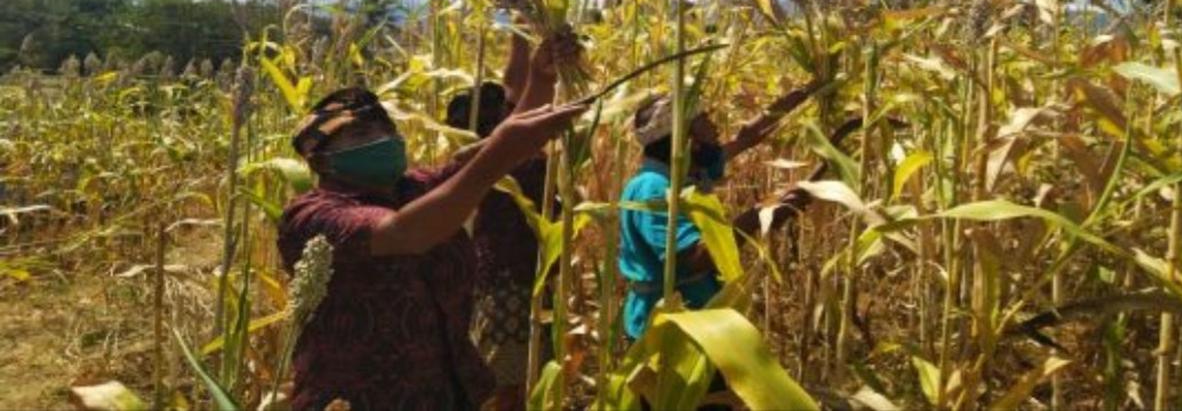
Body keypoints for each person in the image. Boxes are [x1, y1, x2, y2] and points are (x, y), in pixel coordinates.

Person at [276, 38, 586, 411]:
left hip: (444, 391)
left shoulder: (413, 188)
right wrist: (497, 153)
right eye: (360, 136)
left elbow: (496, 156)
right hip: (358, 399)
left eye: (385, 131)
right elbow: (407, 232)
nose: (381, 140)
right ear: (320, 161)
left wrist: (540, 78)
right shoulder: (313, 216)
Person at [618, 86, 818, 341]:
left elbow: (748, 137)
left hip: (698, 318)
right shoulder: (653, 189)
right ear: (686, 138)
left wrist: (799, 95)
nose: (716, 129)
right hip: (666, 332)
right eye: (705, 123)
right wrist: (757, 216)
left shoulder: (688, 172)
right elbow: (693, 257)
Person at [444, 30, 568, 411]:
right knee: (508, 390)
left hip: (527, 278)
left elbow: (517, 91)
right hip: (509, 285)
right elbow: (519, 110)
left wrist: (519, 35)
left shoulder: (496, 156)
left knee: (527, 381)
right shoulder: (492, 162)